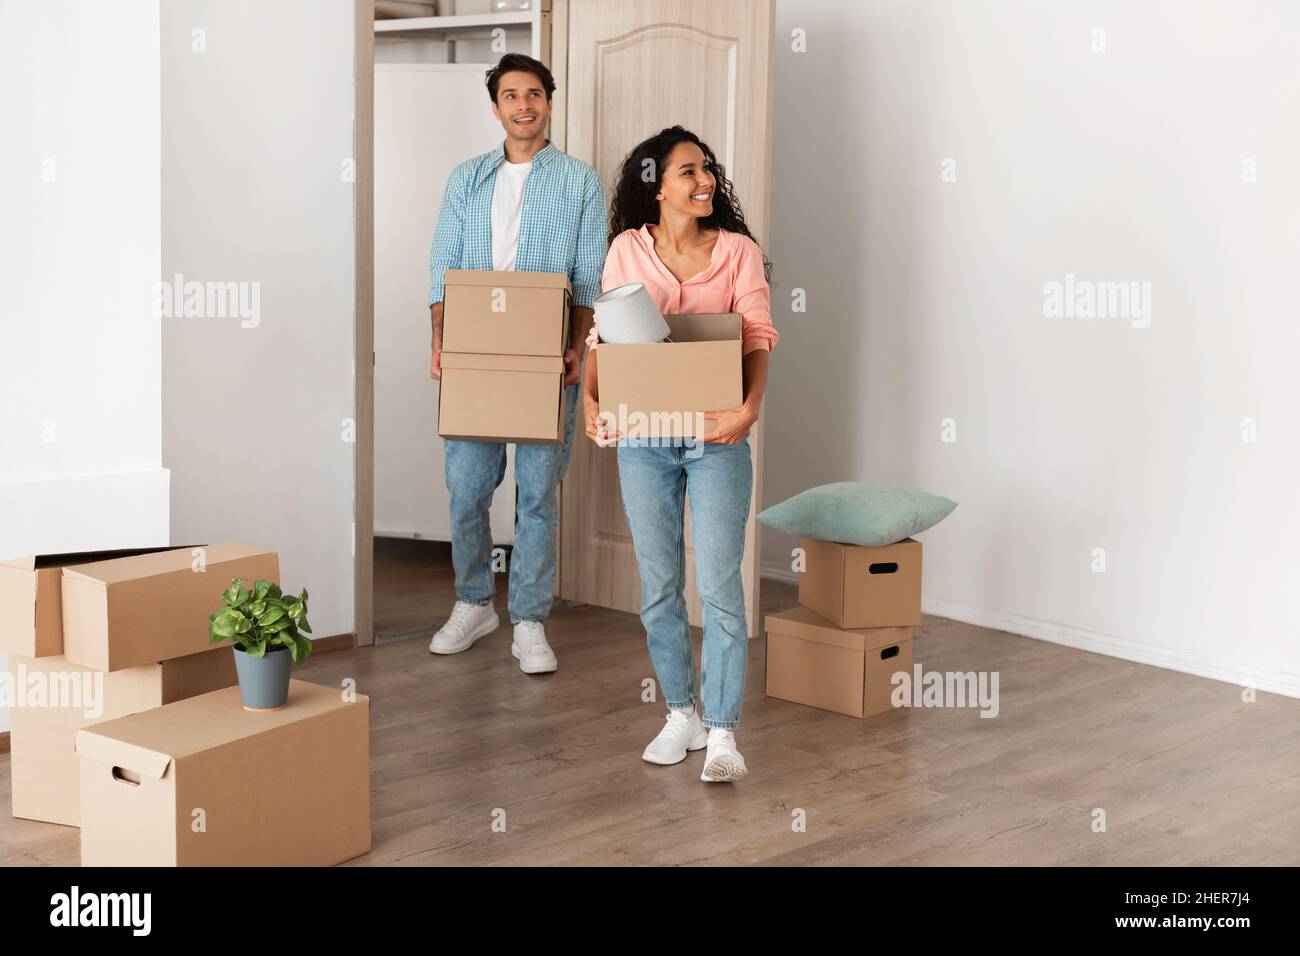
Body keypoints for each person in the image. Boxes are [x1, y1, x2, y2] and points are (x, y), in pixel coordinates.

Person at [582, 126, 778, 781]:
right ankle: (681, 713)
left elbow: (756, 335)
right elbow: (604, 341)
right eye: (689, 172)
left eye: (708, 170)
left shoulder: (739, 253)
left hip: (716, 439)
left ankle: (722, 733)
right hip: (643, 436)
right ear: (656, 185)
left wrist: (748, 411)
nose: (704, 182)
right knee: (659, 588)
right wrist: (590, 404)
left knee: (720, 589)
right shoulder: (626, 251)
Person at [427, 53, 606, 674]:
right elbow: (441, 269)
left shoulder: (580, 182)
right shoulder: (466, 179)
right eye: (510, 95)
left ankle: (529, 619)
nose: (523, 105)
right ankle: (474, 602)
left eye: (534, 93)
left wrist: (577, 348)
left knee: (537, 497)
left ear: (549, 102)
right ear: (496, 105)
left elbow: (588, 275)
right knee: (468, 491)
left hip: (546, 354)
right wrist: (440, 345)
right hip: (474, 354)